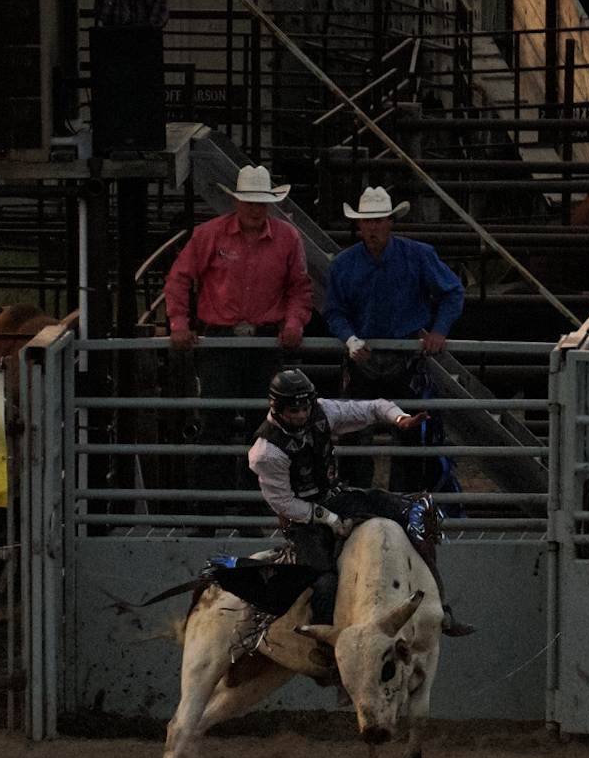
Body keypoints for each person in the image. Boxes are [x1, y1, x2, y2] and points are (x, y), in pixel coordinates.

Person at [247, 369, 471, 635]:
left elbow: (373, 407)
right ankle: (326, 643)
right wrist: (326, 518)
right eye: (294, 410)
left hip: (335, 496)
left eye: (306, 407)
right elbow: (282, 502)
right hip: (304, 519)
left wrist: (398, 418)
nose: (303, 415)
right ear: (278, 409)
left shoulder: (323, 412)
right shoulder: (266, 452)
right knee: (325, 583)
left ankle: (439, 607)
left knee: (417, 512)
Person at [163, 165, 313, 518]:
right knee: (216, 424)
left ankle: (249, 511)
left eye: (260, 203)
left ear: (268, 205)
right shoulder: (210, 235)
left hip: (261, 341)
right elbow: (179, 278)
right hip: (223, 342)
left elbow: (300, 289)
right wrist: (179, 323)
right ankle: (210, 512)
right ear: (237, 202)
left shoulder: (286, 238)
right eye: (249, 202)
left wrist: (293, 322)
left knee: (261, 429)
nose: (255, 209)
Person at [325, 186, 464, 492]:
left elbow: (453, 292)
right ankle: (359, 502)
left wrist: (440, 330)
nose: (373, 227)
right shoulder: (345, 265)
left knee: (409, 438)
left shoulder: (417, 256)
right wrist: (349, 339)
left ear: (390, 222)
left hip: (403, 356)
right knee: (357, 439)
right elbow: (335, 313)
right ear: (360, 225)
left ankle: (402, 504)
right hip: (371, 355)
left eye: (379, 220)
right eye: (368, 222)